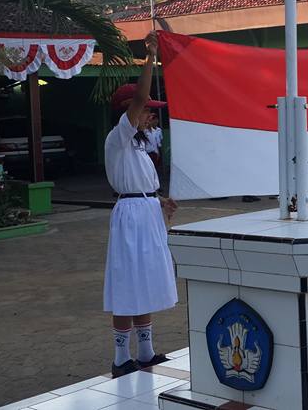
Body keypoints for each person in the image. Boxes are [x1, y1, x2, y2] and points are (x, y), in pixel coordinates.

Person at [103, 31, 178, 378]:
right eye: (148, 111)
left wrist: (160, 200)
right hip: (131, 216)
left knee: (145, 279)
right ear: (130, 111)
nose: (152, 116)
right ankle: (121, 357)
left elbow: (139, 184)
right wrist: (150, 56)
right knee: (127, 282)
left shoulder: (139, 146)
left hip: (146, 212)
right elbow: (142, 96)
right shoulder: (120, 135)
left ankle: (145, 351)